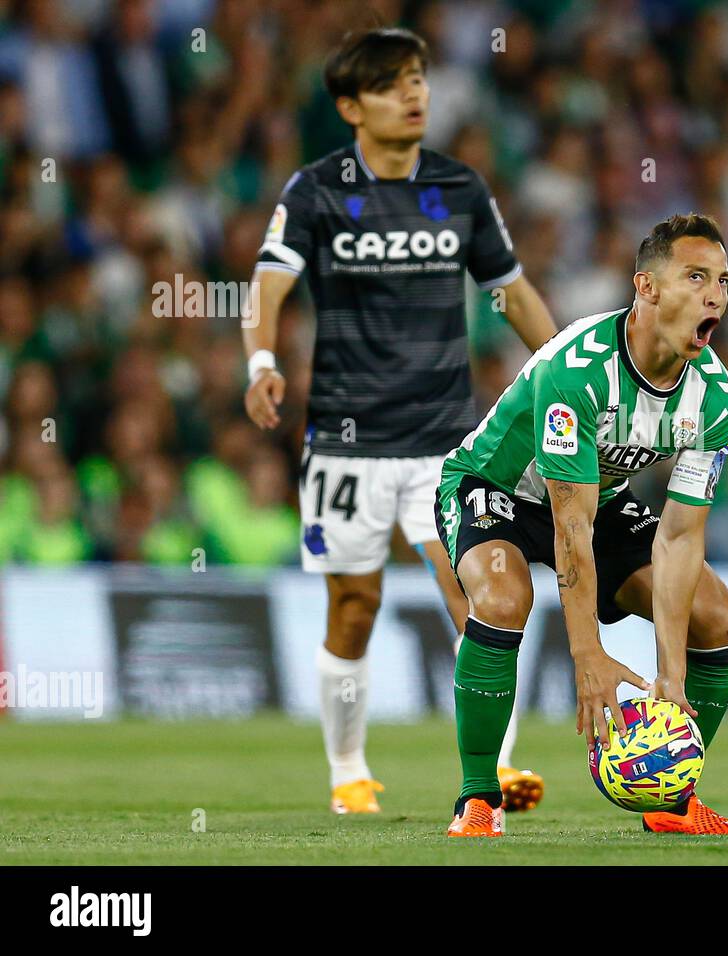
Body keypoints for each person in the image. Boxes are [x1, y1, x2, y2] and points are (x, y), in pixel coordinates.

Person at [242, 28, 556, 814]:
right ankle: (348, 768)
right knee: (355, 605)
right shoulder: (314, 189)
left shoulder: (459, 189)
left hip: (446, 441)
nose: (414, 94)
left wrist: (563, 370)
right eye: (391, 85)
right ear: (351, 107)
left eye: (417, 78)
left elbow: (509, 289)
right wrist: (262, 363)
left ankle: (497, 771)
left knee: (475, 591)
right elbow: (270, 284)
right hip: (347, 442)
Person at [435, 213, 728, 837]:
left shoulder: (718, 401)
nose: (715, 293)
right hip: (492, 484)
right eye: (696, 276)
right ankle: (478, 801)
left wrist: (671, 673)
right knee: (503, 599)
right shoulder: (578, 369)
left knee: (719, 621)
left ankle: (673, 803)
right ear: (647, 288)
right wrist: (589, 658)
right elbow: (568, 526)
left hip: (597, 499)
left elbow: (682, 535)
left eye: (722, 280)